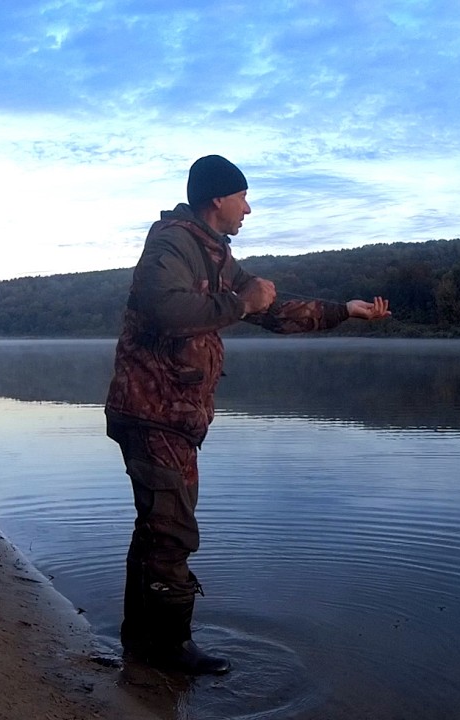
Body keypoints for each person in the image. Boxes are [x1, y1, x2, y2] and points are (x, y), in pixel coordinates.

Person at [104, 155, 391, 675]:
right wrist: (239, 302)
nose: (248, 208)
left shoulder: (214, 254)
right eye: (242, 197)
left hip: (169, 413)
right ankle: (166, 649)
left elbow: (273, 310)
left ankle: (142, 645)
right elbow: (164, 308)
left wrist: (345, 311)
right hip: (152, 409)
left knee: (158, 529)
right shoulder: (173, 243)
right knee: (171, 531)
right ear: (218, 198)